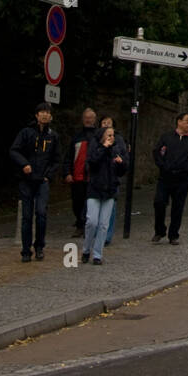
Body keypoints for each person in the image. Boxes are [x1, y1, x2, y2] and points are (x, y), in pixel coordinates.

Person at [9, 102, 62, 262]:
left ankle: (39, 246)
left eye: (48, 112)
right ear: (37, 115)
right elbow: (14, 150)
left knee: (41, 213)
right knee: (26, 216)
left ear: (51, 116)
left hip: (42, 181)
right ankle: (26, 250)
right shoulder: (26, 133)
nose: (45, 115)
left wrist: (48, 176)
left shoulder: (53, 136)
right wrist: (24, 164)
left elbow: (57, 159)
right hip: (26, 180)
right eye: (42, 112)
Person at [82, 122, 128, 265]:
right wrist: (103, 148)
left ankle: (97, 254)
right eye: (109, 135)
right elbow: (92, 164)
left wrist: (121, 164)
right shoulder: (95, 148)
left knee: (103, 224)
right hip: (95, 190)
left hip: (110, 191)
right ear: (102, 137)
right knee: (92, 221)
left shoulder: (116, 150)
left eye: (113, 135)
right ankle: (86, 249)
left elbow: (122, 171)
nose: (111, 138)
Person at [152, 112, 188, 244]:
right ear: (179, 122)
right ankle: (159, 230)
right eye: (187, 121)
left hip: (182, 178)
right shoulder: (167, 137)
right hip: (165, 177)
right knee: (159, 202)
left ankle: (173, 235)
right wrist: (163, 166)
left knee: (178, 207)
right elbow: (157, 152)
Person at [62, 107, 98, 236]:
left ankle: (87, 226)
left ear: (94, 119)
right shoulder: (76, 137)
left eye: (90, 118)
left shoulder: (98, 136)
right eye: (86, 118)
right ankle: (80, 224)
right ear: (83, 119)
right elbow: (69, 156)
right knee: (77, 202)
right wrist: (67, 172)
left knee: (91, 204)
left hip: (93, 177)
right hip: (77, 176)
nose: (88, 120)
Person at [97, 115, 128, 247]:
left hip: (112, 177)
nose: (105, 125)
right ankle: (96, 234)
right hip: (97, 178)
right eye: (103, 123)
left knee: (110, 208)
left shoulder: (118, 140)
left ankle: (106, 236)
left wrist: (119, 161)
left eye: (108, 124)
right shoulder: (96, 139)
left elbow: (123, 155)